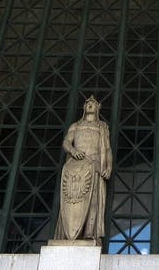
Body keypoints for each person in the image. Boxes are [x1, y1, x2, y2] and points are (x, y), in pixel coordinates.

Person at [55, 95, 112, 243]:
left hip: (95, 165)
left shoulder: (102, 127)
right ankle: (69, 234)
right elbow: (67, 142)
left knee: (93, 201)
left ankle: (90, 233)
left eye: (93, 103)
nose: (90, 105)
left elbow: (107, 148)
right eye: (88, 103)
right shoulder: (76, 126)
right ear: (84, 108)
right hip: (76, 166)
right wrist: (73, 151)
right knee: (72, 199)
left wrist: (108, 167)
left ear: (98, 107)